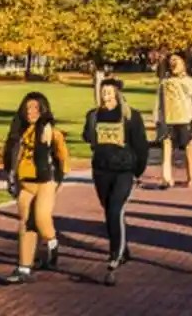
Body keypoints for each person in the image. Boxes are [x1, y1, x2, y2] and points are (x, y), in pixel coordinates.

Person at [0, 92, 70, 285]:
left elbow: (63, 156)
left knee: (42, 219)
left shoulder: (50, 131)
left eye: (36, 108)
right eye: (28, 108)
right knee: (26, 223)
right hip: (25, 182)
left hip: (45, 181)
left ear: (43, 110)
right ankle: (24, 267)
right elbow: (5, 155)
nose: (31, 112)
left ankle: (52, 242)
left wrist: (59, 179)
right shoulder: (17, 132)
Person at [82, 78, 150, 286]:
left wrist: (137, 171)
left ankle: (114, 256)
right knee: (108, 211)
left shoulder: (130, 116)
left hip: (124, 171)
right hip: (102, 171)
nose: (106, 96)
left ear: (118, 94)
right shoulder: (93, 115)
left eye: (110, 92)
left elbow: (141, 146)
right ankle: (123, 247)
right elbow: (88, 137)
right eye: (103, 92)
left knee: (115, 211)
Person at [156, 53, 192, 189]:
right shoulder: (165, 82)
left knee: (189, 148)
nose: (173, 64)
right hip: (169, 119)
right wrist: (157, 119)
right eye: (171, 61)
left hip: (185, 119)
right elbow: (159, 102)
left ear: (184, 63)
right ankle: (166, 177)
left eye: (176, 60)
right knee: (166, 147)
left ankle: (191, 176)